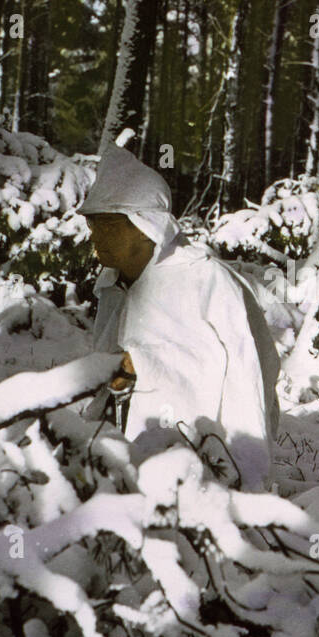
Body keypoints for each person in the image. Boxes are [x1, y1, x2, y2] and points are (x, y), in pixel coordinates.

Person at [77, 143, 280, 488]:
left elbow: (239, 373)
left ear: (145, 227)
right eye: (92, 224)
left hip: (207, 451)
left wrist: (142, 364)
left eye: (107, 225)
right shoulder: (113, 284)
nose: (95, 236)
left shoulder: (204, 279)